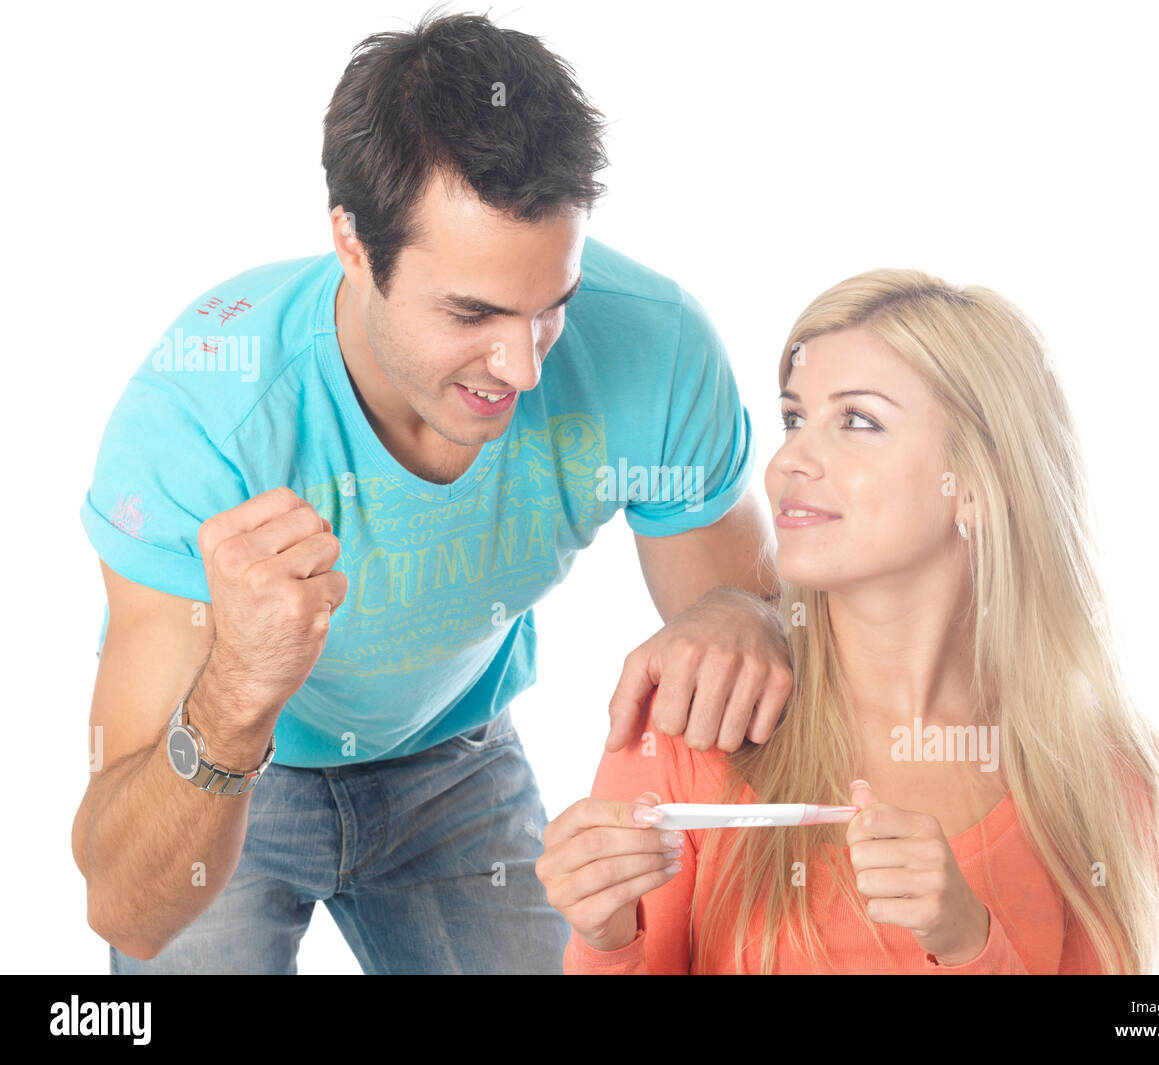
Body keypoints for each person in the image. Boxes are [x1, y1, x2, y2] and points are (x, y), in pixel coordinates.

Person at [71, 6, 793, 975]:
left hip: (453, 759)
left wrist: (763, 624)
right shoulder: (204, 415)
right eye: (472, 313)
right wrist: (239, 692)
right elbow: (128, 907)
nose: (523, 368)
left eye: (552, 308)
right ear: (353, 245)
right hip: (246, 764)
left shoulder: (653, 349)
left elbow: (759, 657)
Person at [540, 268, 1159, 974]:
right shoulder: (699, 713)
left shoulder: (1106, 771)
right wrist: (604, 939)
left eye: (858, 421)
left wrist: (971, 944)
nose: (787, 462)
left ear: (976, 485)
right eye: (792, 418)